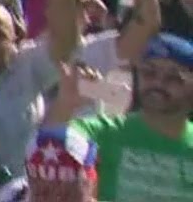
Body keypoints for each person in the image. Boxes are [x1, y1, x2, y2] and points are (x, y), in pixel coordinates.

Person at [43, 34, 193, 201]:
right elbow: (48, 148)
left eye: (173, 78)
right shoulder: (103, 133)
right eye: (149, 73)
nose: (158, 83)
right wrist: (65, 103)